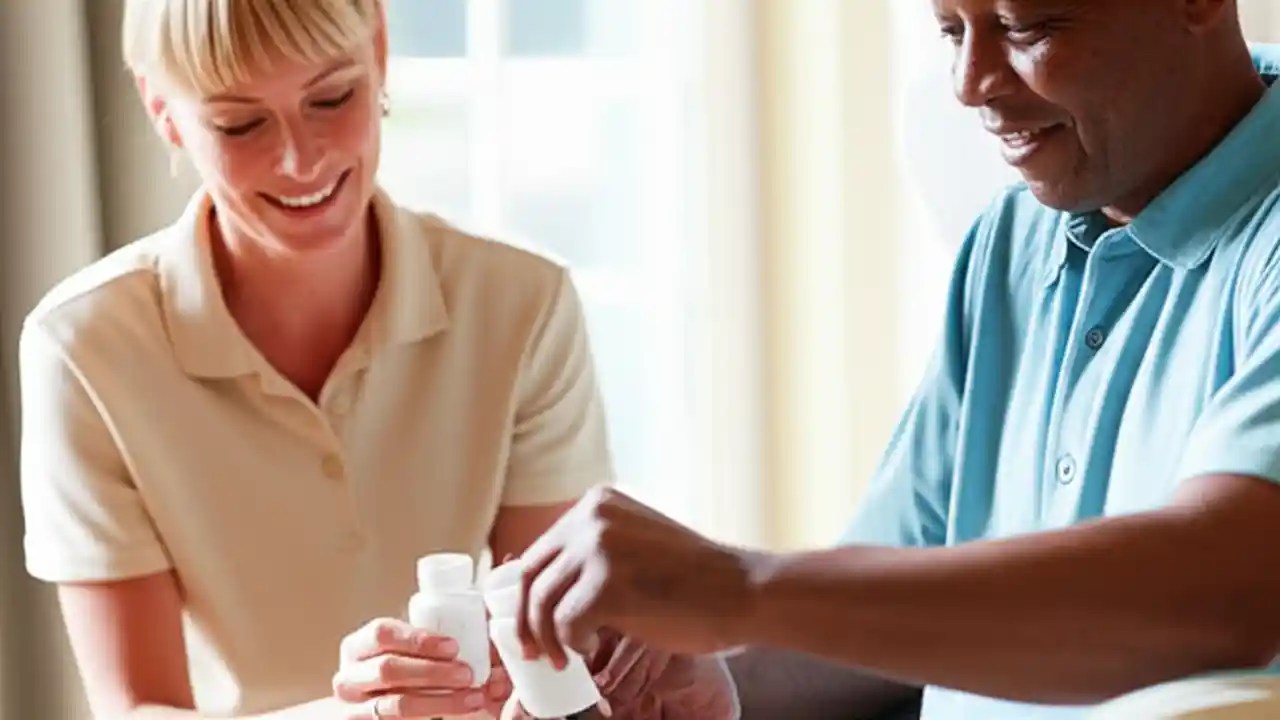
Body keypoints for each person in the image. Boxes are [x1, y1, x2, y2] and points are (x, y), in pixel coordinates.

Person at [512, 1, 1280, 719]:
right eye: (951, 29)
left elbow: (1231, 588)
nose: (969, 83)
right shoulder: (1013, 241)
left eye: (1026, 26)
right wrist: (708, 682)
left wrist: (738, 589)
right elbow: (893, 618)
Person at [16, 1, 736, 718]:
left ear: (381, 53)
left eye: (332, 97)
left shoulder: (523, 307)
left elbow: (555, 650)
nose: (301, 158)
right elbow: (137, 706)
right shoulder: (85, 347)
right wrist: (356, 713)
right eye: (240, 123)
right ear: (163, 110)